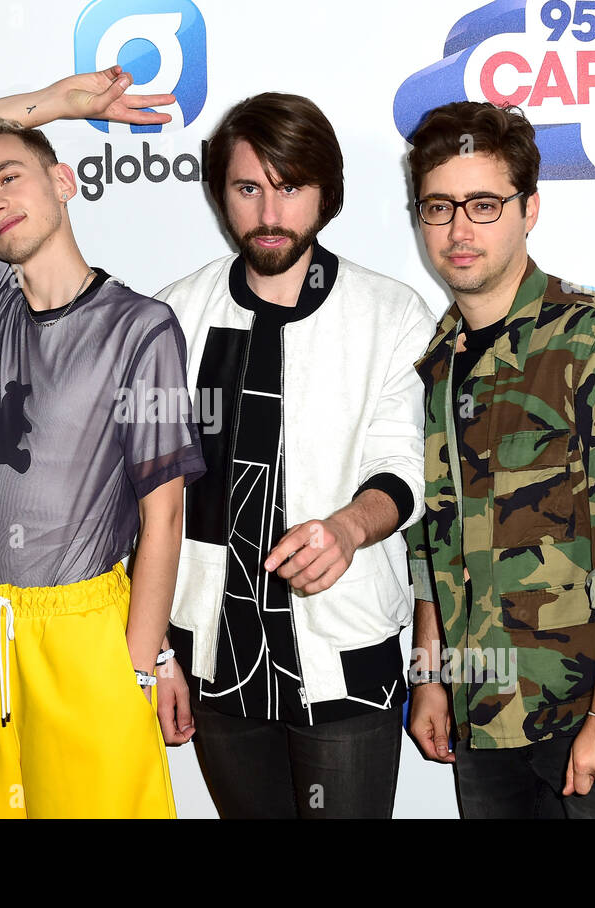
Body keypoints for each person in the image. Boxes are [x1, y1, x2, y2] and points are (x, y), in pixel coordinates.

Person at [0, 66, 205, 818]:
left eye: (11, 177)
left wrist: (142, 660)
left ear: (63, 182)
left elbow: (163, 516)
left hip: (85, 637)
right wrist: (54, 104)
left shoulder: (142, 327)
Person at [402, 100, 595, 818]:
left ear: (529, 207)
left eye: (483, 204)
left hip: (593, 709)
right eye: (438, 207)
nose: (459, 230)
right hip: (484, 707)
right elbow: (434, 538)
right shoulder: (436, 362)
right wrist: (431, 676)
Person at [153, 93, 434, 818]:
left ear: (326, 195)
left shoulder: (390, 313)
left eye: (290, 188)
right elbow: (146, 502)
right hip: (214, 659)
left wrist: (346, 529)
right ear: (221, 194)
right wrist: (158, 654)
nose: (269, 214)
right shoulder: (174, 316)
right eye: (248, 188)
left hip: (343, 662)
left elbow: (402, 467)